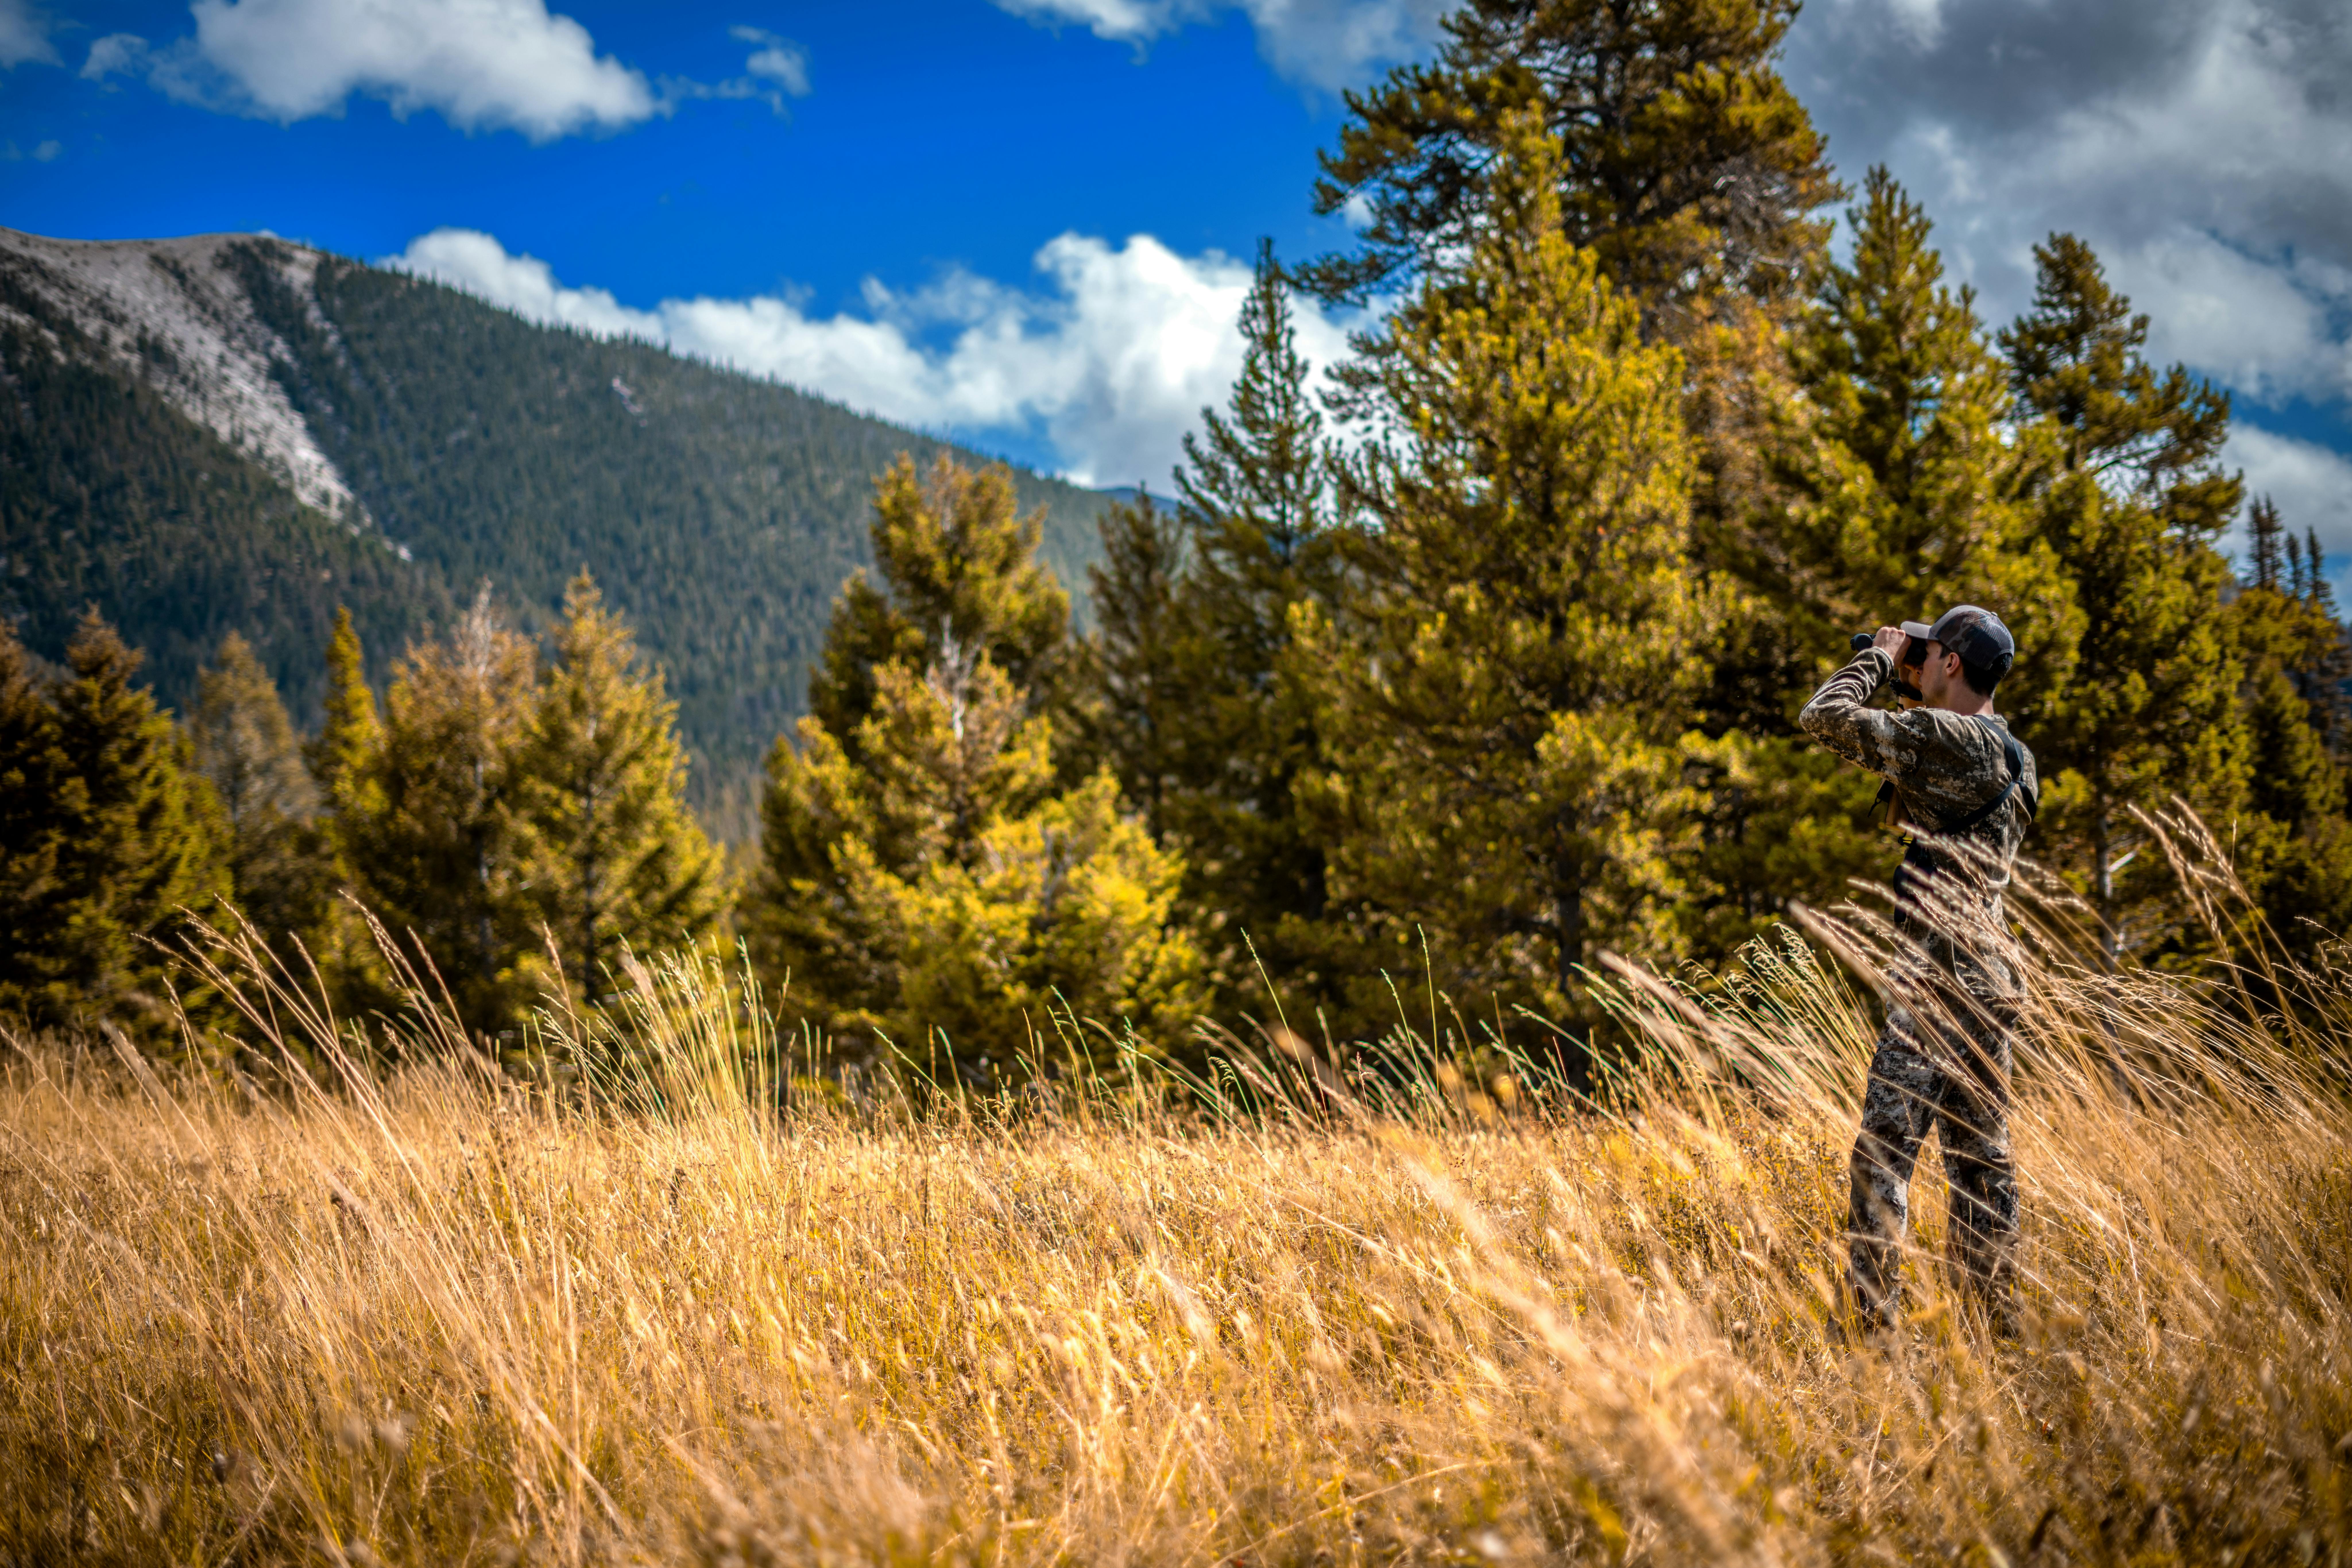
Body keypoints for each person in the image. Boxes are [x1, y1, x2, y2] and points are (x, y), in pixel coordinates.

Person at [1800, 605, 2038, 1336]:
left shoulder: (1942, 737)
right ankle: (1995, 1332)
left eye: (1929, 652)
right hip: (1990, 982)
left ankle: (1871, 1335)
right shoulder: (2015, 755)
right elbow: (1936, 765)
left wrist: (1878, 658)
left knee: (1884, 1157)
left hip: (1935, 982)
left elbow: (1823, 717)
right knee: (1981, 1164)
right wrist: (1914, 683)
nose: (1920, 658)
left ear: (1953, 663)